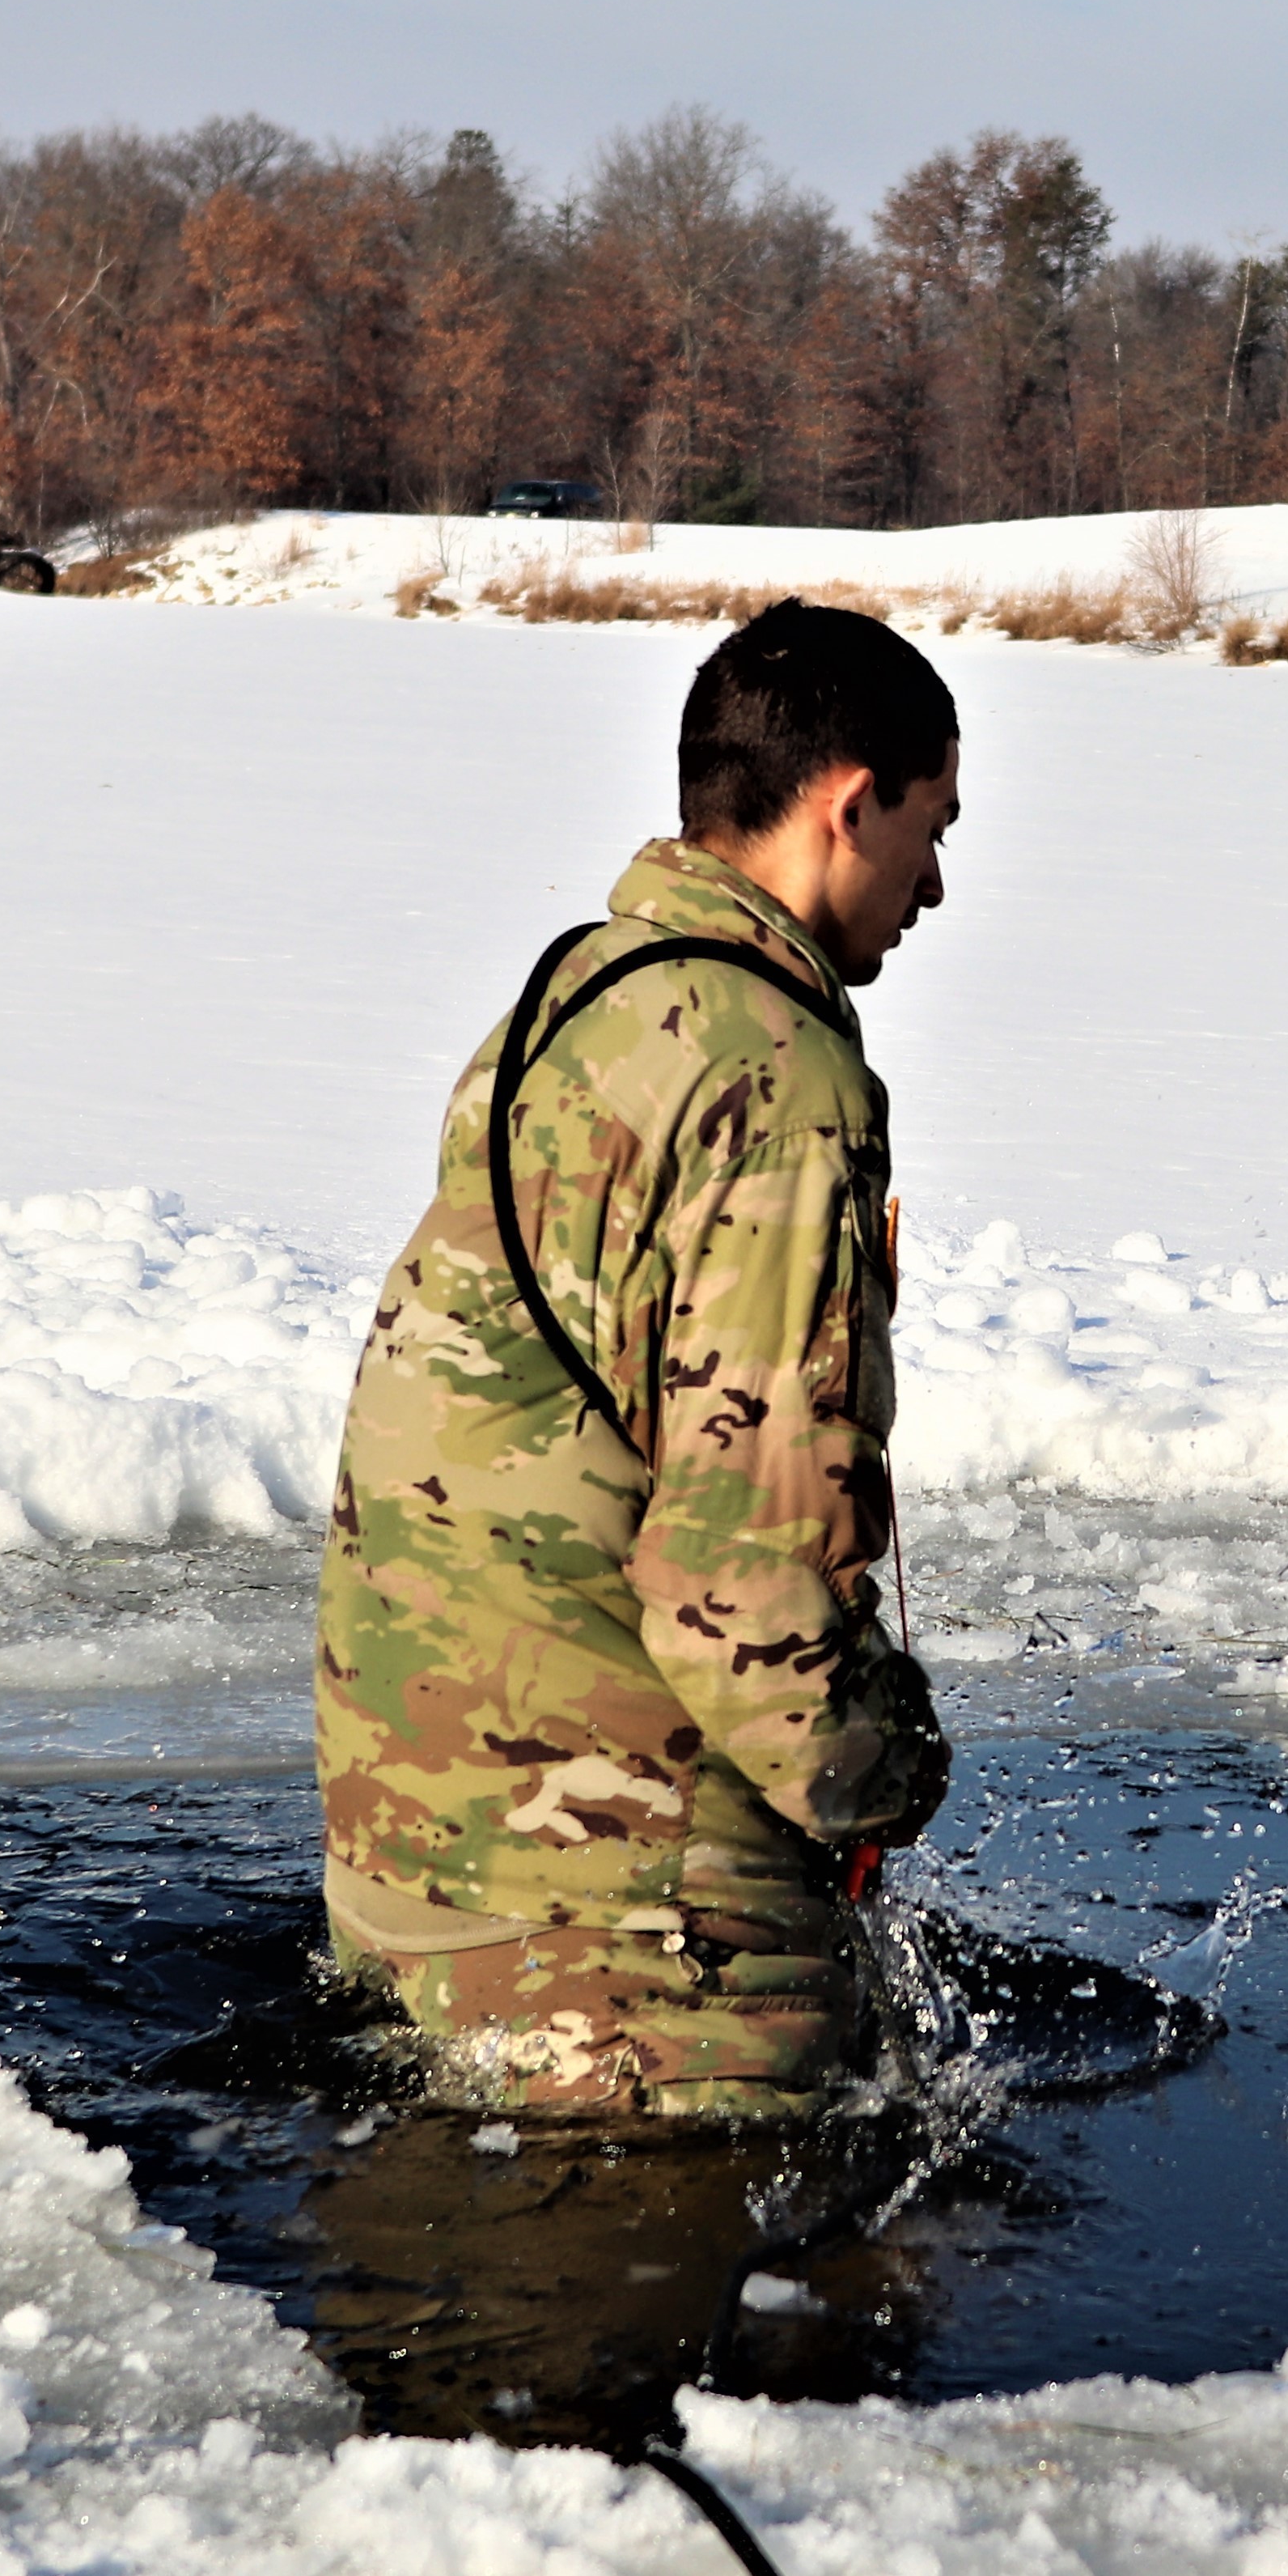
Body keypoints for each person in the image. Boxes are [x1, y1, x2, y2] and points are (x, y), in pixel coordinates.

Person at [315, 597, 960, 2117]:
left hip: (414, 1864)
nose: (935, 884)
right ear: (848, 803)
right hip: (628, 1951)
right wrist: (893, 1771)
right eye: (931, 828)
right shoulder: (778, 1078)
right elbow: (743, 1585)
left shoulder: (577, 998)